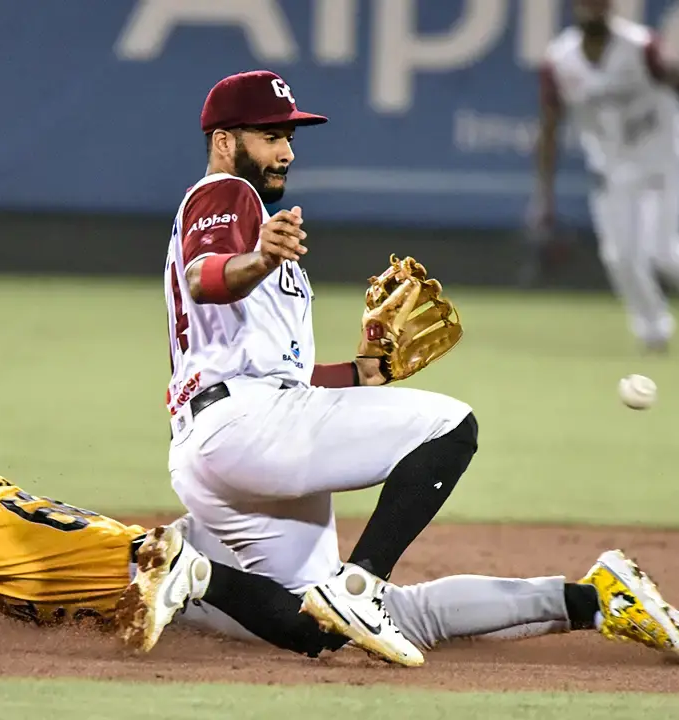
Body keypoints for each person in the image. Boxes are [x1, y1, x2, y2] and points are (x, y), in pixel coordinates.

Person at [0, 407, 679, 662]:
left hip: (188, 563)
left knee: (326, 637)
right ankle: (584, 594)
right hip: (179, 537)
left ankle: (176, 572)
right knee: (387, 613)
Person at [161, 69, 478, 666]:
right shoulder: (226, 193)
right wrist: (255, 259)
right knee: (451, 427)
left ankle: (175, 572)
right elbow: (204, 279)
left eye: (290, 137)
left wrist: (360, 374)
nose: (286, 152)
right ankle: (361, 587)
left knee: (315, 624)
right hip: (247, 424)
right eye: (270, 136)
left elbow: (280, 374)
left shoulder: (249, 218)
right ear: (225, 141)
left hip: (228, 429)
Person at [532, 0, 679, 353]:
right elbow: (549, 128)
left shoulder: (643, 46)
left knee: (661, 248)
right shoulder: (560, 60)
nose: (593, 10)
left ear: (611, 7)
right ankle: (653, 330)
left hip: (660, 155)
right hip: (610, 164)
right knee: (619, 255)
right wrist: (544, 196)